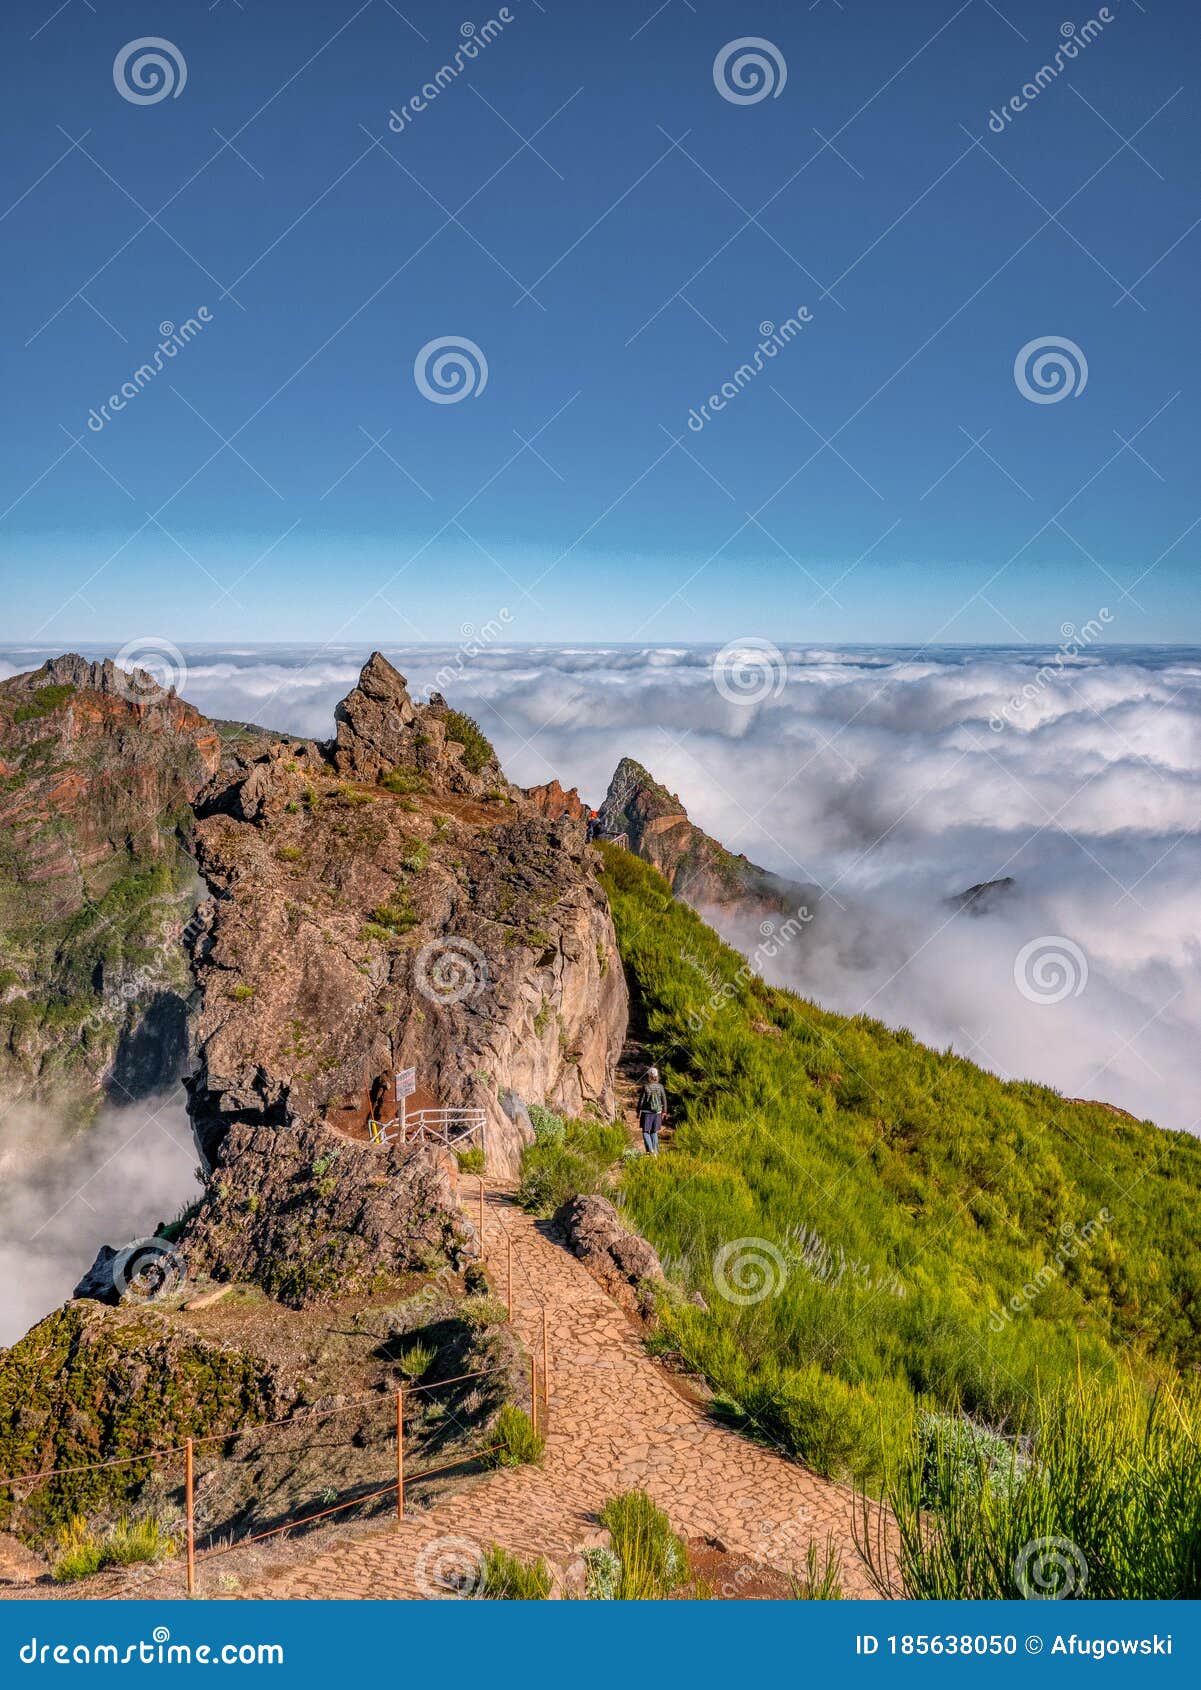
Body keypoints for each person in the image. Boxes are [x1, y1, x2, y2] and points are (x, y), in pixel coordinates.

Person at [638, 1066, 667, 1156]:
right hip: (657, 1113)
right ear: (657, 1076)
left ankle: (650, 1151)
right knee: (654, 1132)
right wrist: (664, 1112)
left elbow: (641, 1100)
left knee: (645, 1132)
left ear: (649, 1076)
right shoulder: (660, 1087)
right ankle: (656, 1153)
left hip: (646, 1113)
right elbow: (664, 1099)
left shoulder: (646, 1087)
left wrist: (638, 1111)